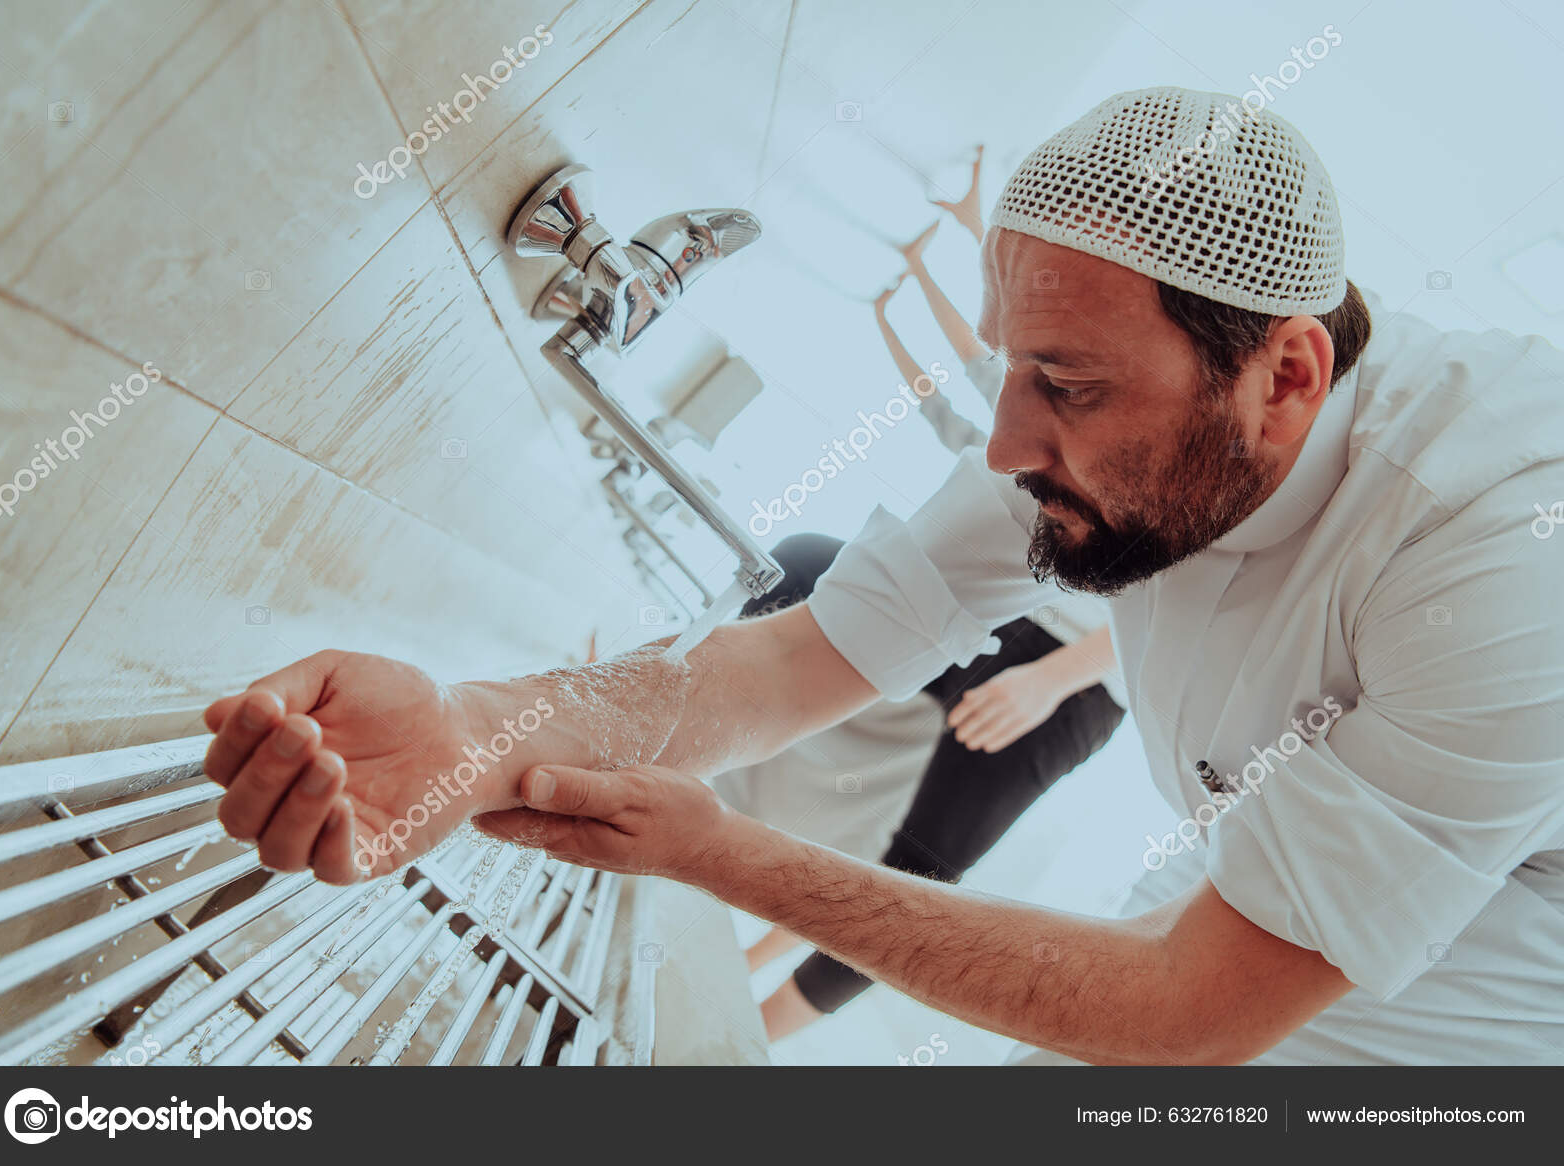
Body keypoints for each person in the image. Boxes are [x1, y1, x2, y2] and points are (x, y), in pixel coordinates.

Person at [198, 87, 1564, 1064]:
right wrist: (472, 729)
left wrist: (718, 849)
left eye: (1068, 386)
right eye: (1011, 364)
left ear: (1284, 379)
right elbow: (800, 654)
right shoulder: (1104, 416)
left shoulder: (1503, 552)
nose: (1006, 441)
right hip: (1234, 907)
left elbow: (1189, 1015)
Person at [726, 530, 1123, 1039]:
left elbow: (1180, 611)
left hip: (1079, 672)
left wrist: (1051, 680)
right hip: (990, 592)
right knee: (801, 563)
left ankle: (739, 1040)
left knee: (917, 881)